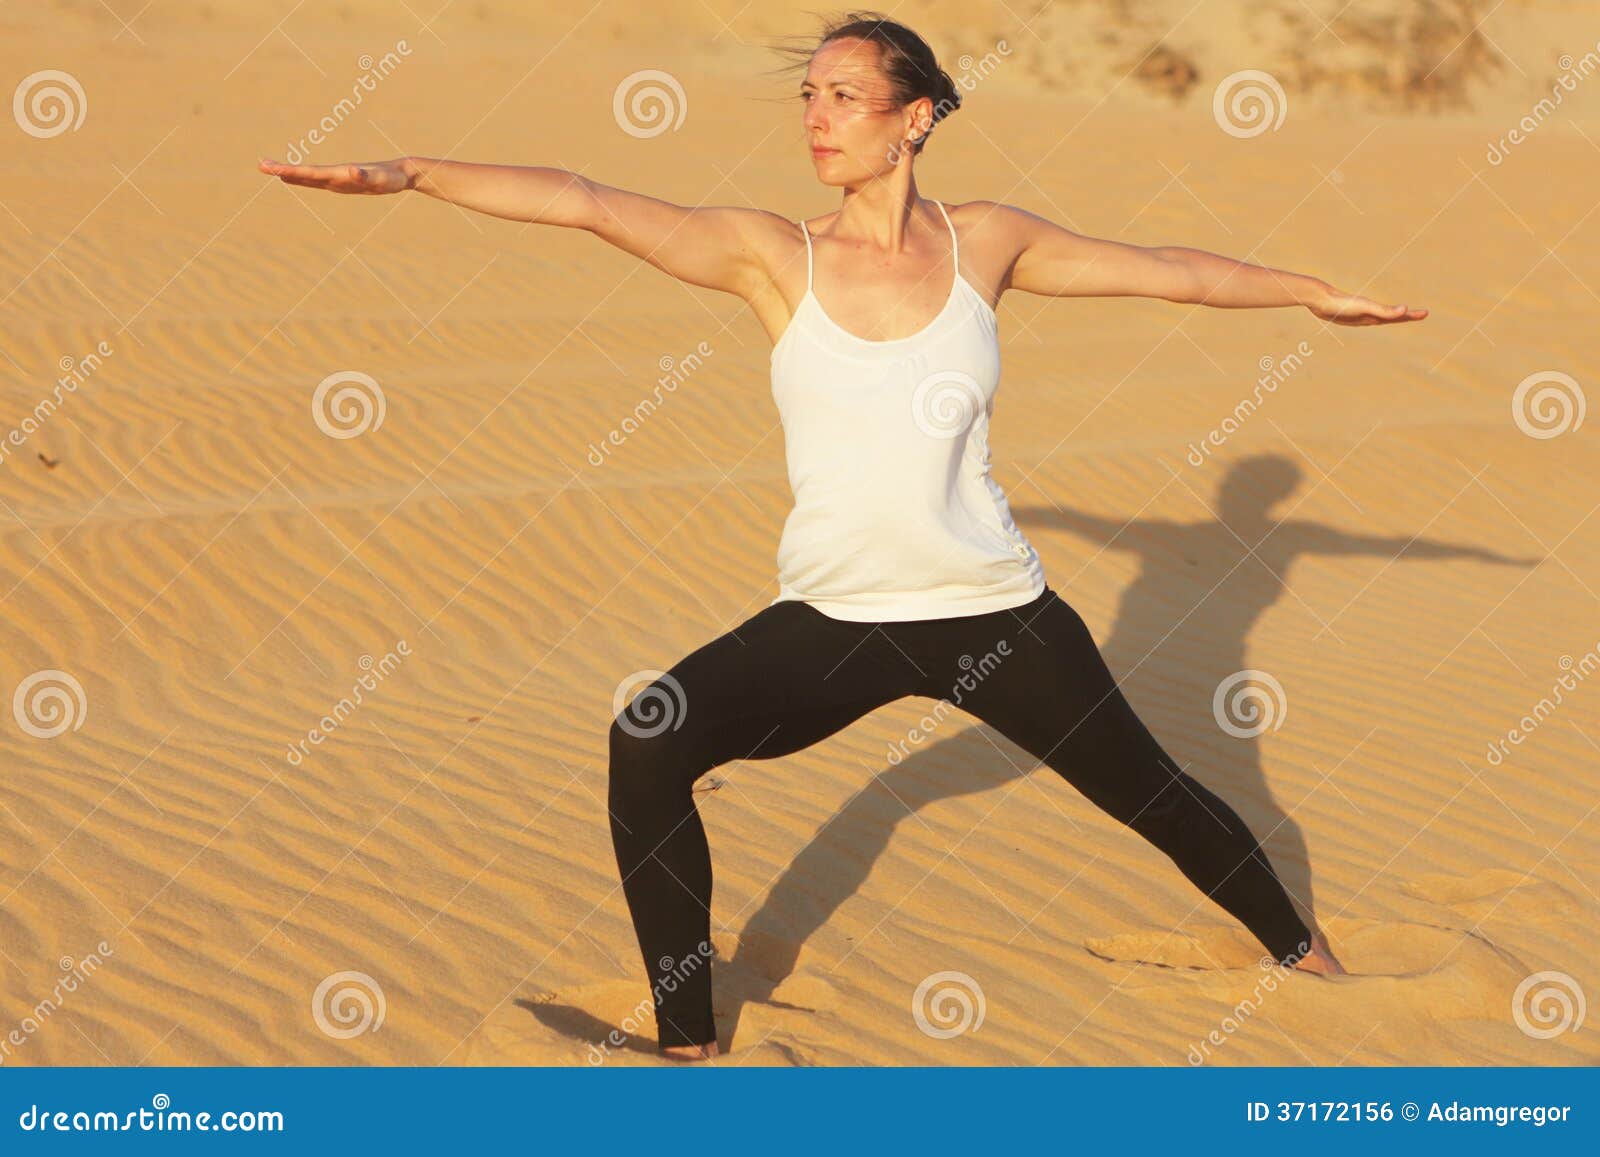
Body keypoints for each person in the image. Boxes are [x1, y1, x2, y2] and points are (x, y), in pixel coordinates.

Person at [259, 11, 1425, 1064]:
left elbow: (1169, 272)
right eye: (807, 97)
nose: (817, 119)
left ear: (914, 119)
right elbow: (584, 195)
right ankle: (686, 1040)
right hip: (839, 622)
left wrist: (1310, 292)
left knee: (1155, 793)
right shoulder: (777, 255)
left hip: (993, 613)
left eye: (843, 97)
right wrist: (410, 172)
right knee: (649, 733)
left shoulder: (989, 243)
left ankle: (1306, 957)